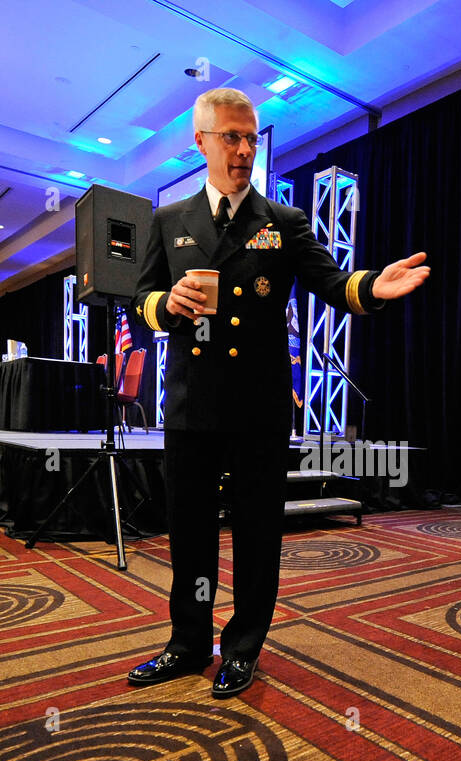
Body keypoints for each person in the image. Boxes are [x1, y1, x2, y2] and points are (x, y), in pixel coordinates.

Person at [129, 87, 429, 698]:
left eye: (249, 138)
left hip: (259, 409)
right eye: (230, 138)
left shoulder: (284, 223)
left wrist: (375, 287)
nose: (242, 151)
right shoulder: (167, 221)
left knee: (258, 533)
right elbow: (137, 313)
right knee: (190, 533)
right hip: (190, 406)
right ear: (201, 142)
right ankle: (188, 643)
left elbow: (335, 283)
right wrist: (166, 304)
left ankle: (242, 647)